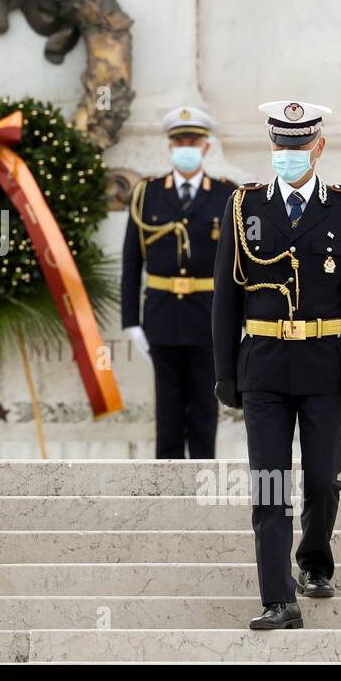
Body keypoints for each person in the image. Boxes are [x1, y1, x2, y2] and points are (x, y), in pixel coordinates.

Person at [212, 101, 341, 630]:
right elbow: (225, 298)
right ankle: (277, 598)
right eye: (280, 147)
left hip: (326, 365)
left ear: (319, 147)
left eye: (299, 147)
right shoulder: (244, 207)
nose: (288, 156)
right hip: (262, 364)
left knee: (325, 478)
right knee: (268, 481)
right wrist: (225, 371)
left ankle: (314, 562)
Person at [122, 107, 233, 458]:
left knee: (205, 407)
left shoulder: (226, 195)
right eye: (180, 141)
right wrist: (131, 322)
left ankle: (203, 484)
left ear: (205, 147)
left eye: (193, 141)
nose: (186, 146)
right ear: (170, 147)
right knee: (167, 410)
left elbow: (238, 266)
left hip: (208, 316)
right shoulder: (148, 194)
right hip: (162, 314)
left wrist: (240, 317)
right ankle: (166, 491)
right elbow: (131, 262)